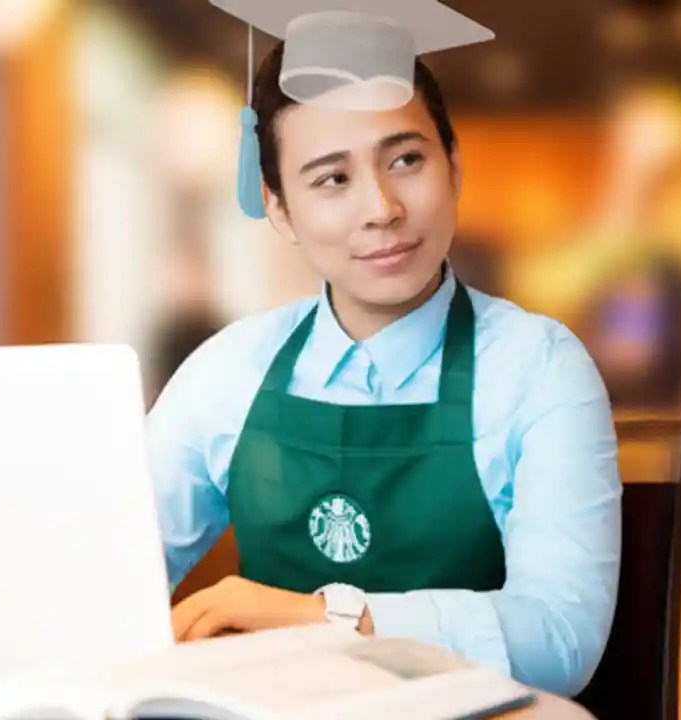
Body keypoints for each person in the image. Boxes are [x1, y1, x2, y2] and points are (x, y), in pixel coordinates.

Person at [147, 25, 622, 697]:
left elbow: (560, 641)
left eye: (405, 160)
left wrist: (327, 618)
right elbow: (111, 576)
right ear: (279, 208)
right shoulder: (228, 372)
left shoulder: (539, 369)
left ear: (454, 164)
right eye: (332, 179)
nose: (382, 208)